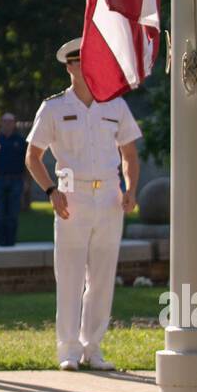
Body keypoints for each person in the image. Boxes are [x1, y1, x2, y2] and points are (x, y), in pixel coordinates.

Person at [25, 38, 141, 371]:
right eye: (77, 62)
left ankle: (93, 347)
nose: (83, 66)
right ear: (69, 67)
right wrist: (50, 190)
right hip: (70, 195)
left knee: (103, 277)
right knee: (70, 275)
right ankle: (68, 350)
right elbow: (33, 156)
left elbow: (129, 153)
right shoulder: (54, 107)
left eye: (89, 59)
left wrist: (131, 188)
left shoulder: (115, 104)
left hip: (108, 196)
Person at [0, 113, 27, 246]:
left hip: (16, 181)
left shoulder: (21, 141)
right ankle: (1, 242)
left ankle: (11, 242)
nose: (8, 124)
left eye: (10, 121)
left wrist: (27, 183)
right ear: (2, 123)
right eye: (5, 121)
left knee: (13, 213)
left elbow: (27, 163)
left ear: (14, 123)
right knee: (0, 213)